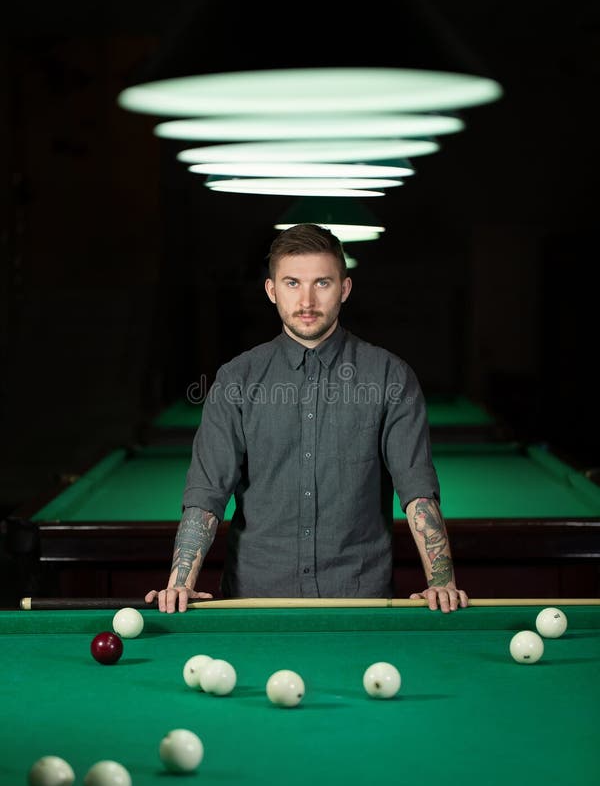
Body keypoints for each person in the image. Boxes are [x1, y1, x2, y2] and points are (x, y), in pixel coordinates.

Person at [145, 224, 468, 614]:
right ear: (272, 290)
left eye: (323, 283)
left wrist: (442, 582)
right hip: (255, 601)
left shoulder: (390, 376)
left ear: (345, 289)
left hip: (359, 602)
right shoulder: (236, 379)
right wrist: (180, 584)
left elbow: (416, 487)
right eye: (293, 283)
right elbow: (207, 492)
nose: (307, 300)